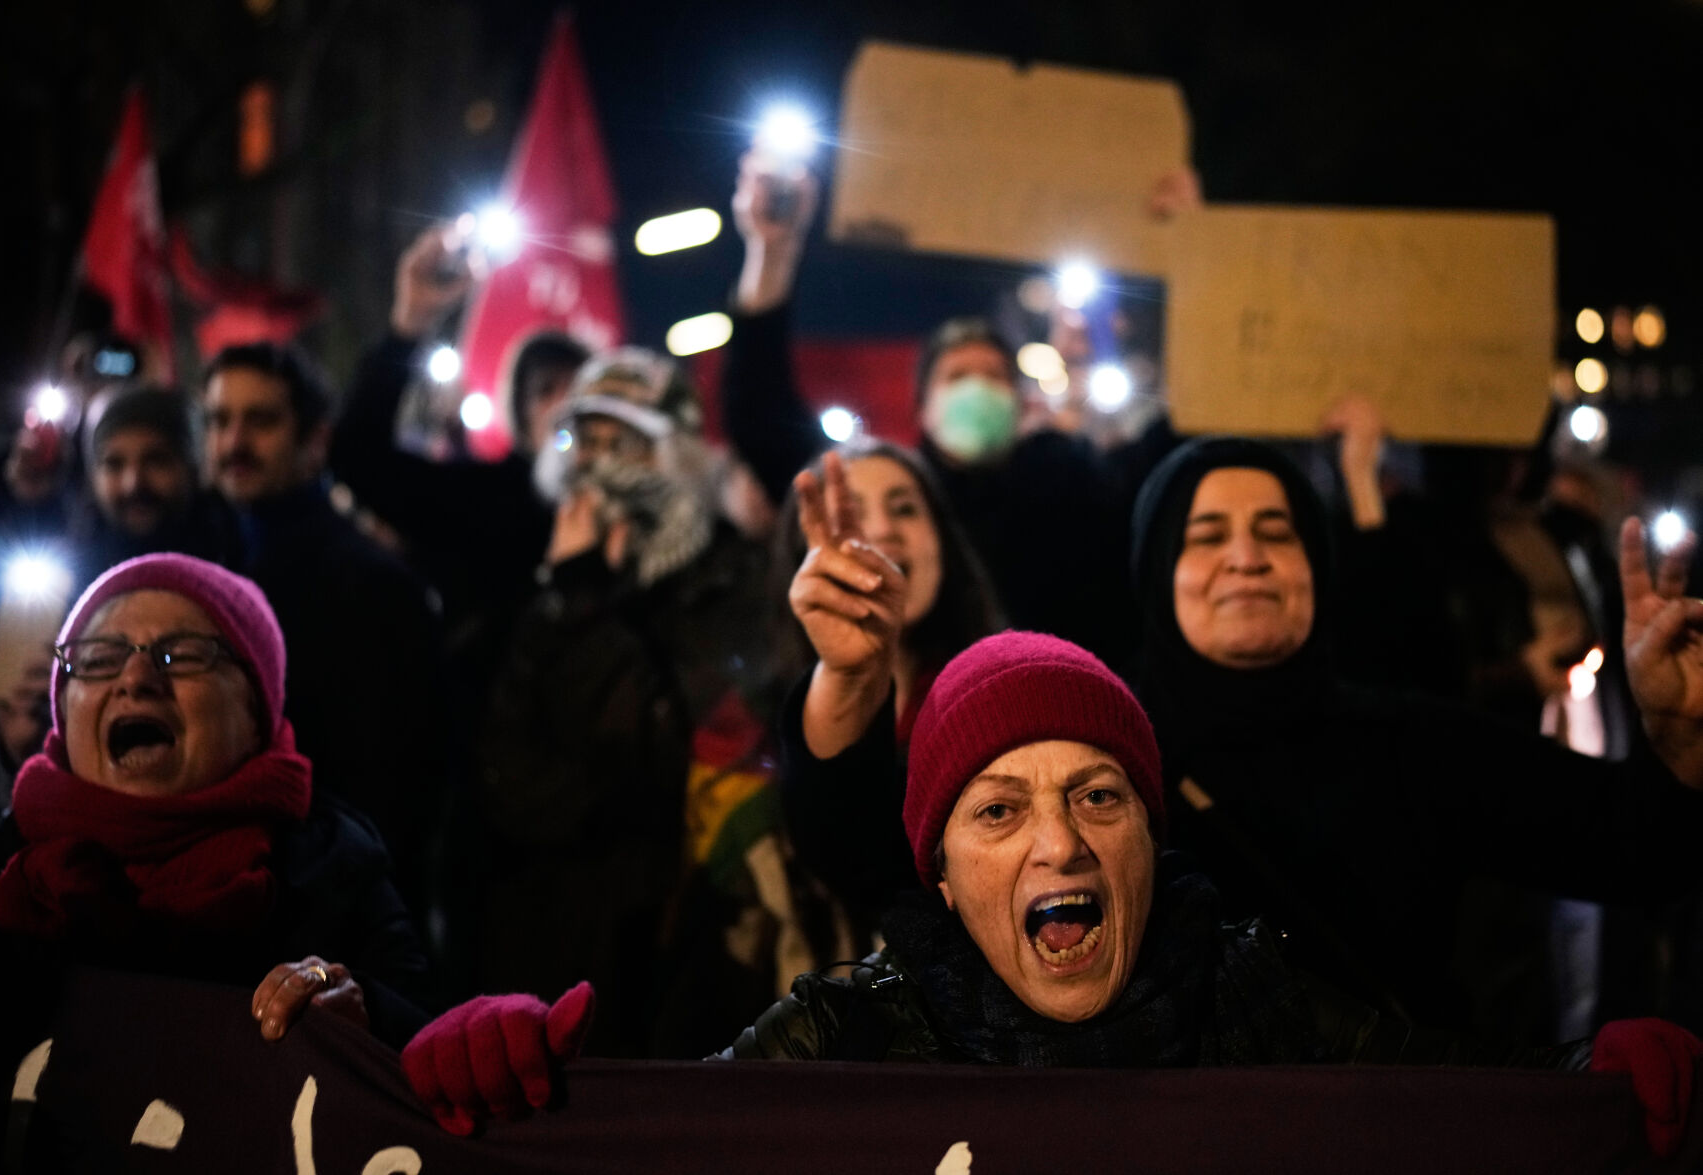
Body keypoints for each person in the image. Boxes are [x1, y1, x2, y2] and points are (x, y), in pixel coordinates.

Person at [401, 633, 1703, 1158]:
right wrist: (511, 1092)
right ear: (939, 870)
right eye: (997, 809)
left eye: (1096, 795)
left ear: (1146, 833)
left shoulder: (1255, 997)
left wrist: (1598, 1079)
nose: (1058, 847)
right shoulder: (846, 1035)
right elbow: (663, 1143)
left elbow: (1459, 1111)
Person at [1124, 435, 1703, 1033]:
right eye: (1208, 537)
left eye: (1277, 533)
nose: (1247, 558)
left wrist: (1680, 735)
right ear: (1158, 569)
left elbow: (1637, 844)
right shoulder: (1108, 764)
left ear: (1316, 564)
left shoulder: (1409, 743)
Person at [0, 553, 431, 1048]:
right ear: (63, 713)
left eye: (186, 654)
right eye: (99, 659)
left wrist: (362, 1010)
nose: (136, 679)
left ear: (255, 713)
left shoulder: (341, 879)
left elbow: (425, 1039)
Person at [721, 153, 1174, 670]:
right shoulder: (896, 489)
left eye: (995, 377)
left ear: (1019, 401)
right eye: (957, 377)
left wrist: (1190, 251)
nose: (977, 388)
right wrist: (772, 251)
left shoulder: (1076, 489)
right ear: (924, 409)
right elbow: (761, 417)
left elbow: (1175, 451)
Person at [474, 347, 779, 1058]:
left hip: (679, 960)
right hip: (548, 942)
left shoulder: (728, 584)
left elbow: (662, 759)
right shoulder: (546, 583)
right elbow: (503, 772)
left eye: (624, 442)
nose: (599, 465)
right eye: (586, 441)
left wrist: (581, 602)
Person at [201, 342, 450, 932]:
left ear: (314, 440)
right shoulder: (202, 562)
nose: (234, 442)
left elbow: (395, 786)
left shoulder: (373, 584)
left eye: (261, 421)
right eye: (218, 420)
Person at [329, 223, 590, 681]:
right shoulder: (484, 500)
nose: (564, 404)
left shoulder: (642, 502)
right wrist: (409, 326)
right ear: (520, 413)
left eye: (580, 387)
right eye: (546, 389)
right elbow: (358, 455)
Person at [771, 442, 1000, 936]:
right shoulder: (756, 720)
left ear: (943, 541)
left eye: (904, 509)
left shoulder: (1008, 695)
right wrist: (849, 677)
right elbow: (849, 860)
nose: (881, 531)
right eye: (851, 515)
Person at [69, 385, 243, 583]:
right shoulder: (70, 575)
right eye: (114, 464)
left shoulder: (237, 561)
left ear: (193, 469)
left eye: (155, 461)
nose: (133, 484)